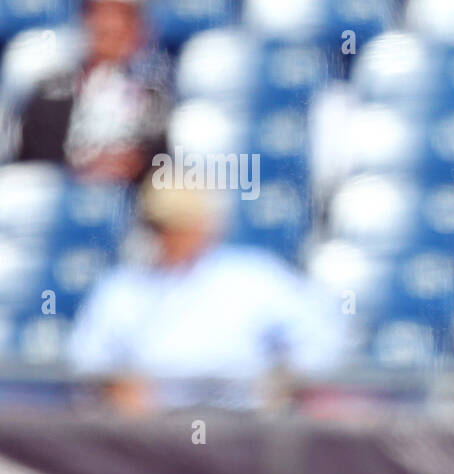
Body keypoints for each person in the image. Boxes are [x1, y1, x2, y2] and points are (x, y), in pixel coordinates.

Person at [68, 177, 346, 413]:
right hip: (154, 434)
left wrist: (280, 388)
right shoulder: (123, 288)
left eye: (182, 224)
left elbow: (318, 341)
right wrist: (123, 394)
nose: (172, 236)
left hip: (244, 428)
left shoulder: (254, 276)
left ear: (204, 225)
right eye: (162, 226)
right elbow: (91, 361)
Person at [16, 0, 170, 187]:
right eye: (102, 20)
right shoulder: (52, 91)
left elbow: (161, 160)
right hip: (63, 196)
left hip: (133, 199)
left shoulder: (156, 95)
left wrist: (134, 163)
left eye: (124, 19)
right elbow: (35, 159)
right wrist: (81, 168)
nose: (112, 26)